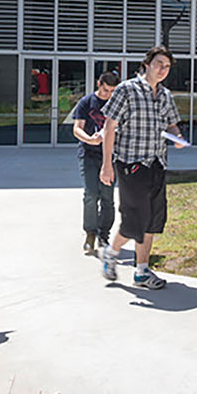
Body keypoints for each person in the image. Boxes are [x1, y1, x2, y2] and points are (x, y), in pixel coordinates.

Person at [98, 47, 188, 290]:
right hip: (131, 164)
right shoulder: (127, 90)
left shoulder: (166, 95)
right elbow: (109, 127)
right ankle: (111, 251)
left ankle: (141, 272)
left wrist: (178, 137)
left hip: (157, 163)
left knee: (152, 220)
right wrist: (107, 165)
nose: (162, 69)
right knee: (134, 220)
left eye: (167, 66)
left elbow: (172, 125)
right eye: (159, 64)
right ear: (147, 64)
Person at [69, 70, 119, 255]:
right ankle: (90, 233)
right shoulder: (86, 102)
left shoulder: (117, 104)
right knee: (91, 193)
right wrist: (90, 139)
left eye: (113, 91)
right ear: (99, 84)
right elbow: (77, 129)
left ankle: (103, 234)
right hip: (89, 154)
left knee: (107, 197)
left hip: (112, 156)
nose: (109, 95)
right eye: (106, 90)